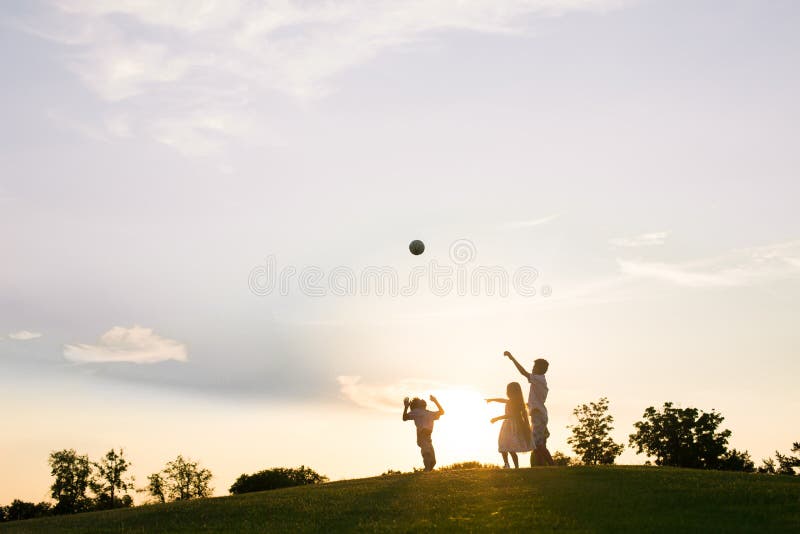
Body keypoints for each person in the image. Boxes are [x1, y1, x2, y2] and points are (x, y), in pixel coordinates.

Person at [504, 350, 555, 466]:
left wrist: (512, 358)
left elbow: (523, 372)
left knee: (538, 443)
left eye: (535, 366)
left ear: (540, 369)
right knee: (537, 444)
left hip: (538, 415)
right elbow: (534, 400)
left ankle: (552, 465)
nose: (532, 368)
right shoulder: (540, 381)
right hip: (538, 414)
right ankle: (540, 466)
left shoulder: (538, 379)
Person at [487, 382, 532, 468]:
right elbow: (502, 400)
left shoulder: (515, 403)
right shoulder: (511, 401)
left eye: (508, 390)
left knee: (508, 446)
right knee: (504, 445)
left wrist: (496, 418)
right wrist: (492, 399)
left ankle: (514, 465)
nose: (507, 392)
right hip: (508, 425)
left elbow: (510, 415)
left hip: (510, 426)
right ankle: (507, 464)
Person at [403, 395, 445, 471]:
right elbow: (404, 418)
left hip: (428, 438)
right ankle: (427, 472)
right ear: (417, 405)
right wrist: (406, 407)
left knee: (433, 462)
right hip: (422, 436)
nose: (422, 399)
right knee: (427, 454)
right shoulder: (416, 411)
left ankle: (427, 472)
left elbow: (442, 412)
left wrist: (435, 401)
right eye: (419, 400)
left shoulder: (429, 412)